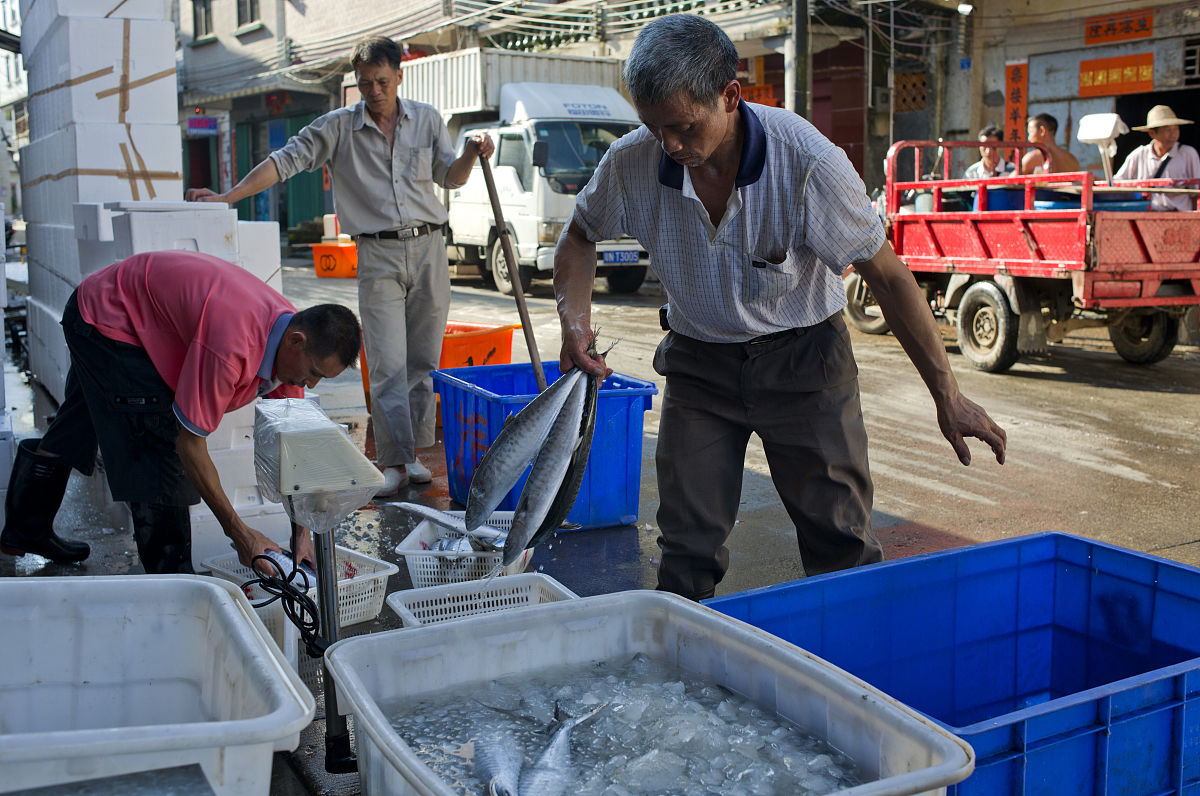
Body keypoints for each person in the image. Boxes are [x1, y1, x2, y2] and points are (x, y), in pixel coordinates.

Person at [553, 14, 1007, 601]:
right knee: (686, 548)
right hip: (699, 363)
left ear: (730, 96)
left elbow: (890, 278)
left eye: (684, 126)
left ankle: (846, 653)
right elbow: (580, 235)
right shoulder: (631, 161)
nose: (669, 145)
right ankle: (685, 654)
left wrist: (947, 394)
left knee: (840, 542)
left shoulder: (807, 161)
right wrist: (575, 325)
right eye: (653, 126)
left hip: (805, 362)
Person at [186, 36, 494, 497]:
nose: (374, 91)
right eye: (365, 83)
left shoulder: (427, 118)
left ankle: (413, 452)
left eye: (382, 82)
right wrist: (229, 197)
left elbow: (449, 176)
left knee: (423, 361)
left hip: (430, 246)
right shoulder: (337, 127)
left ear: (399, 76)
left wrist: (471, 153)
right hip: (377, 252)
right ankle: (394, 460)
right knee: (387, 361)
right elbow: (284, 162)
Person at [0, 251, 361, 573]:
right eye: (313, 372)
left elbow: (293, 448)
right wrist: (240, 534)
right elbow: (189, 445)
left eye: (321, 378)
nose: (310, 384)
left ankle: (24, 529)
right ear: (296, 340)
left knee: (78, 422)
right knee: (155, 444)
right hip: (107, 319)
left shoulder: (289, 336)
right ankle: (172, 576)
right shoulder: (232, 343)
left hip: (114, 305)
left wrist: (302, 535)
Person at [1114, 105, 1200, 212]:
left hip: (1181, 217)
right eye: (1168, 130)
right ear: (1152, 133)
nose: (1173, 134)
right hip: (1146, 216)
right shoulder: (1138, 155)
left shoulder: (1188, 154)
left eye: (1176, 129)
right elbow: (1117, 184)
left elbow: (1196, 191)